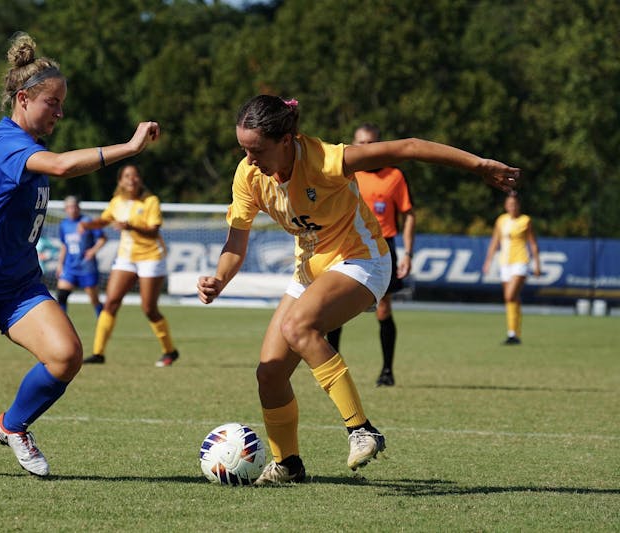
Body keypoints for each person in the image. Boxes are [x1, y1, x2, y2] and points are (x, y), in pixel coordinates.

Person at [197, 95, 519, 485]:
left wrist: (478, 164)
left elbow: (408, 147)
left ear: (286, 140)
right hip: (311, 272)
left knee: (298, 327)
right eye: (244, 149)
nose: (249, 159)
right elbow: (236, 242)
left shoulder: (327, 160)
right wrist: (220, 278)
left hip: (363, 260)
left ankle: (361, 429)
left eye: (257, 150)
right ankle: (288, 465)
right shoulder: (249, 176)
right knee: (269, 374)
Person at [0, 32, 160, 476]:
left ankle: (12, 425)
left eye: (62, 104)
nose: (60, 112)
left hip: (17, 283)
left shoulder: (11, 143)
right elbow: (61, 166)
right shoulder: (5, 140)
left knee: (66, 356)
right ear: (23, 99)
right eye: (52, 102)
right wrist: (131, 148)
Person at [326, 123, 415, 387]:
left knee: (383, 308)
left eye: (370, 143)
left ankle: (387, 371)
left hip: (382, 246)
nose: (365, 148)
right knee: (334, 305)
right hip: (346, 243)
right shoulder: (345, 172)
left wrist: (408, 252)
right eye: (360, 143)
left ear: (379, 144)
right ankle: (331, 368)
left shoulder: (394, 176)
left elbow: (409, 214)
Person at [81, 164, 179, 367]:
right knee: (111, 302)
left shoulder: (150, 201)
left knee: (149, 308)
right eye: (127, 176)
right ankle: (98, 353)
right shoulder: (117, 202)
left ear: (140, 180)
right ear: (120, 181)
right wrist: (87, 225)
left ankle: (170, 351)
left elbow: (154, 231)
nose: (131, 179)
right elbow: (104, 220)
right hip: (126, 258)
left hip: (151, 257)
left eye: (135, 176)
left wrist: (130, 226)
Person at [482, 192, 541, 345]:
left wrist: (537, 264)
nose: (512, 207)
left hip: (520, 261)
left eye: (514, 204)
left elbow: (533, 243)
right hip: (505, 263)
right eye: (509, 204)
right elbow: (495, 241)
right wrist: (488, 261)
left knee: (510, 296)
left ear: (518, 205)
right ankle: (513, 333)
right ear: (505, 205)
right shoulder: (501, 220)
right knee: (512, 299)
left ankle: (514, 332)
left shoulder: (525, 220)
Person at [56, 195, 107, 317]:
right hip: (70, 267)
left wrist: (93, 251)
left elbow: (103, 238)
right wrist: (60, 264)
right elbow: (64, 246)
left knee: (94, 300)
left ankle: (102, 320)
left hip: (86, 267)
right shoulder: (64, 225)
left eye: (74, 207)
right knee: (61, 295)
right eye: (69, 207)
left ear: (78, 208)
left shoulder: (87, 221)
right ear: (65, 209)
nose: (72, 210)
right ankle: (63, 323)